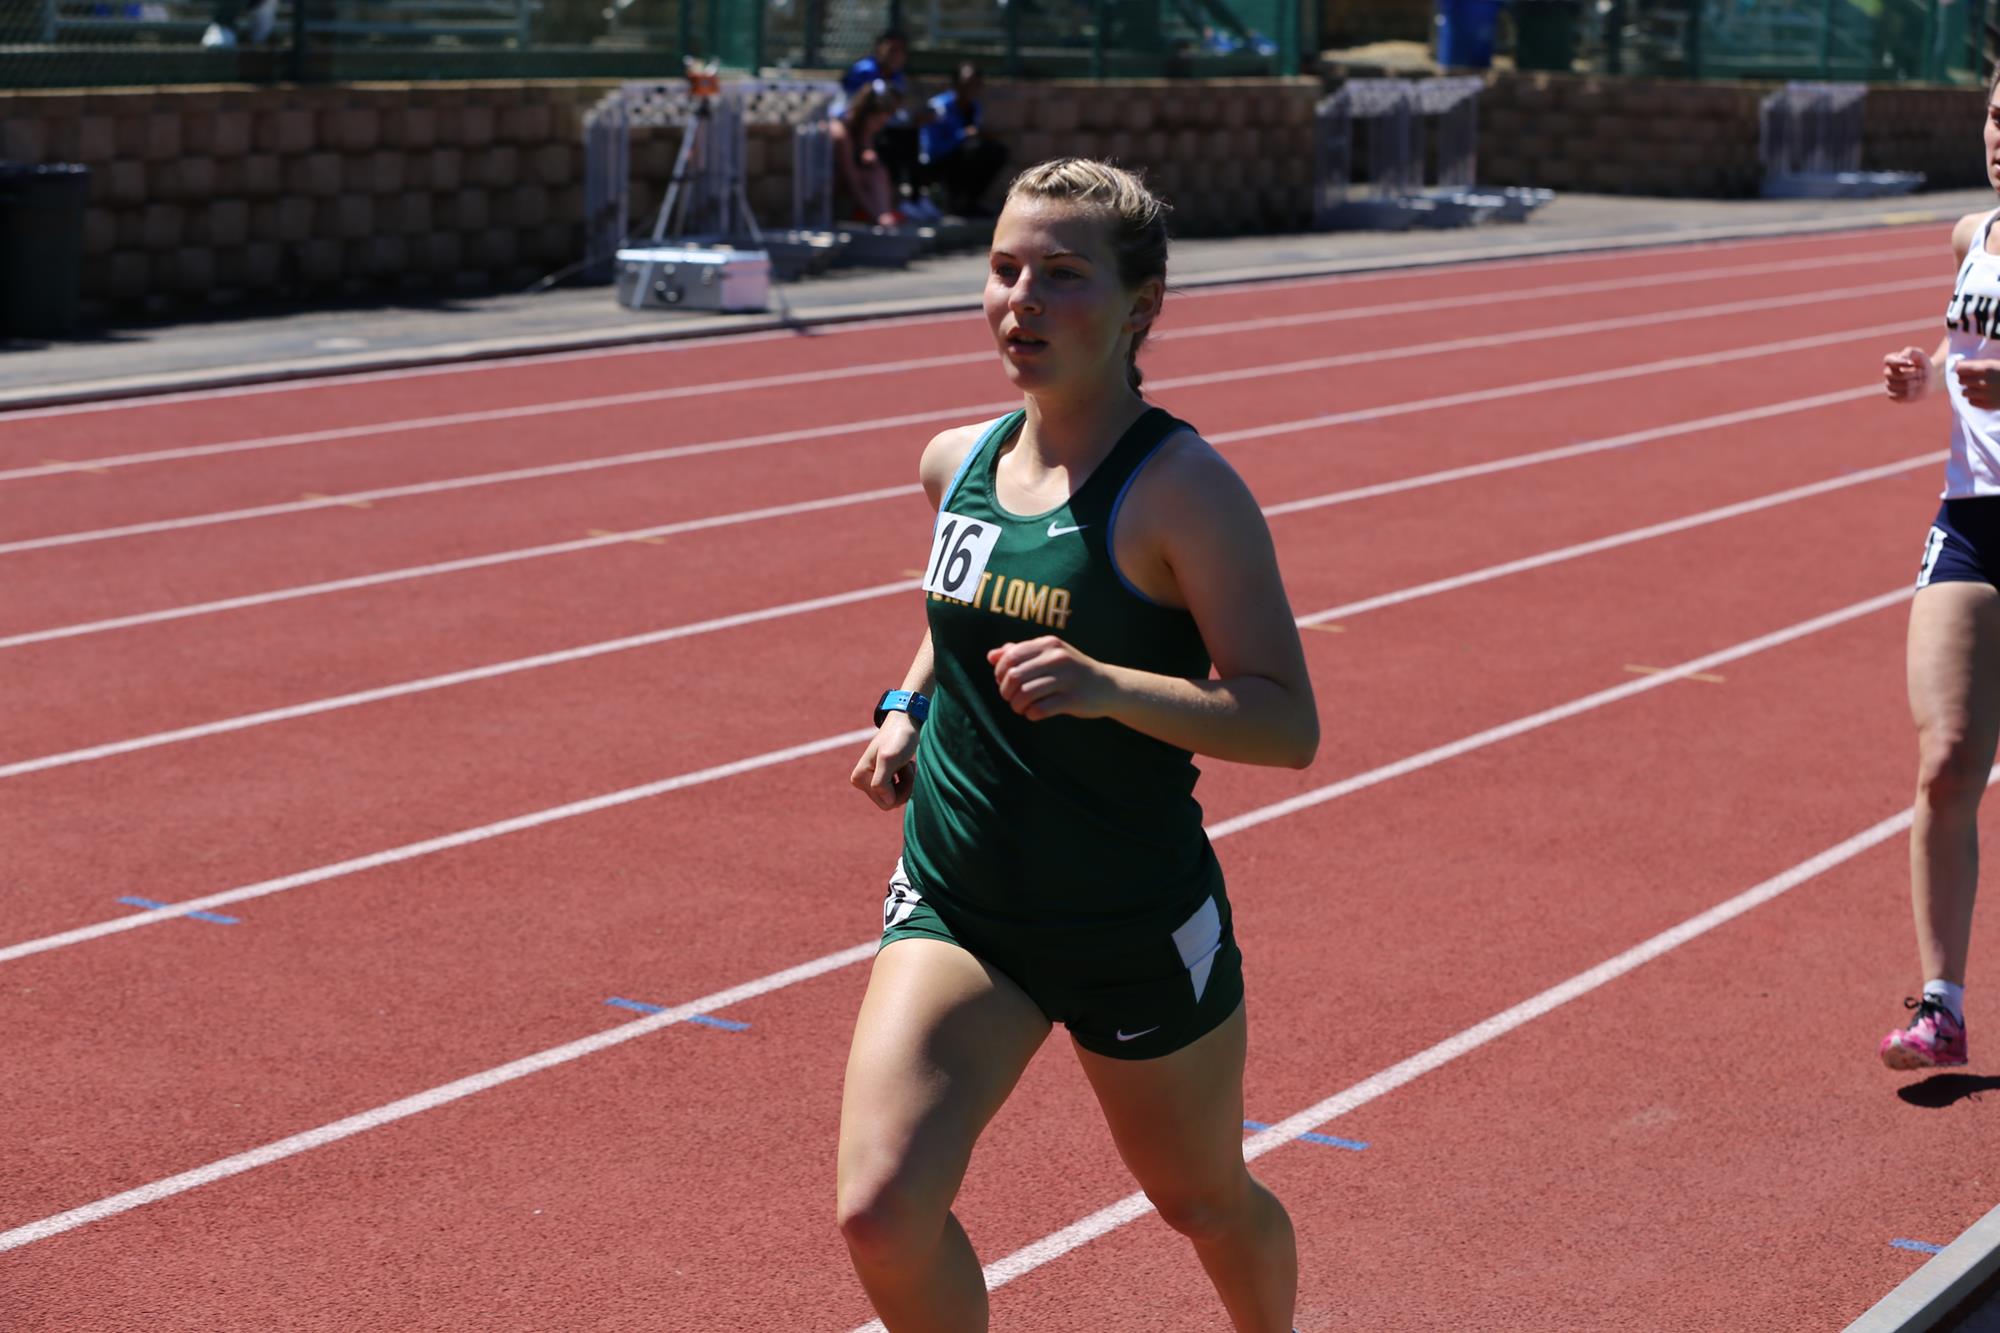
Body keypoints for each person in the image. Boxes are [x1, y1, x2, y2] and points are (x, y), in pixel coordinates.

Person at [838, 158, 1318, 1331]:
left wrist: (1106, 687)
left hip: (1128, 921)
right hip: (962, 903)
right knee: (880, 1212)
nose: (1021, 301)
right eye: (1004, 269)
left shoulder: (1183, 491)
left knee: (1201, 1201)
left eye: (1060, 275)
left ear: (1139, 305)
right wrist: (905, 710)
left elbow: (1282, 722)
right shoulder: (955, 462)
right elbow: (959, 612)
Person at [1877, 72, 2000, 1070]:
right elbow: (1961, 340)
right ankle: (1940, 1005)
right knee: (1949, 754)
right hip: (1968, 522)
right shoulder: (1973, 234)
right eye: (1998, 116)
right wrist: (1921, 373)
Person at [837, 28, 927, 215]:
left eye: (900, 51)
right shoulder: (863, 71)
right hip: (857, 132)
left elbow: (897, 111)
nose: (896, 56)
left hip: (879, 131)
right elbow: (851, 108)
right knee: (890, 145)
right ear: (879, 49)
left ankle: (913, 199)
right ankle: (888, 206)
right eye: (891, 49)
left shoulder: (897, 77)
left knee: (909, 135)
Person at [920, 63, 1009, 217]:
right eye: (967, 84)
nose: (971, 89)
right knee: (973, 150)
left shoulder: (975, 106)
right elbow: (932, 149)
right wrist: (962, 135)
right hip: (937, 161)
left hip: (963, 157)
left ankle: (970, 202)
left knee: (996, 151)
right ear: (956, 84)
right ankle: (953, 201)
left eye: (976, 84)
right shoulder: (939, 107)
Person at [830, 83, 903, 228]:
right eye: (878, 122)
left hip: (847, 182)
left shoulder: (863, 131)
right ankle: (881, 216)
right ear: (865, 116)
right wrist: (873, 212)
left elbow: (869, 162)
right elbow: (850, 178)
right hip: (832, 183)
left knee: (878, 171)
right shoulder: (841, 133)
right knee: (875, 175)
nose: (879, 127)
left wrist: (867, 151)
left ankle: (884, 214)